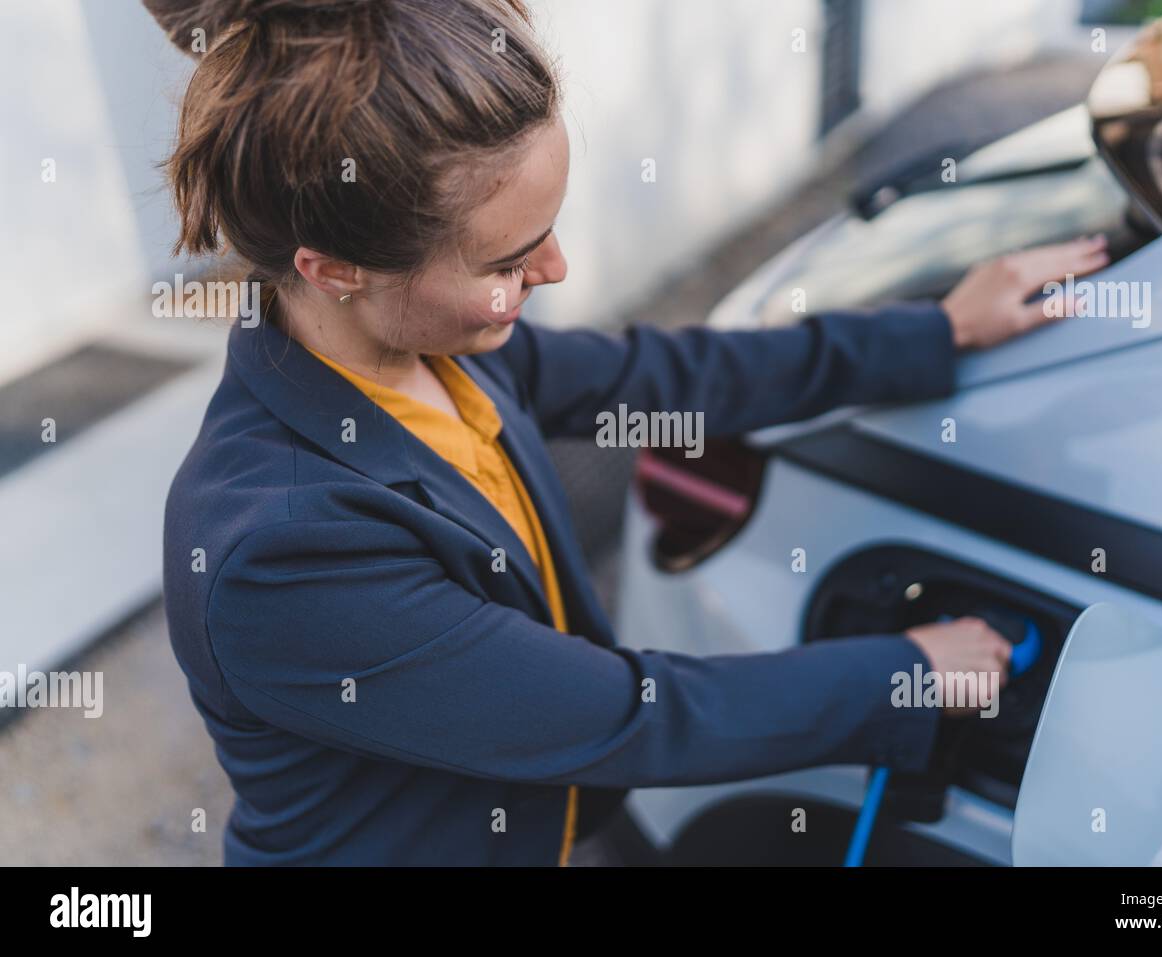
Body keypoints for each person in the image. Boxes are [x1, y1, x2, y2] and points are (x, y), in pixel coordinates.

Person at [148, 0, 1110, 865]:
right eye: (510, 259)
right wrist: (906, 674)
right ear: (336, 270)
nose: (558, 269)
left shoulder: (444, 349)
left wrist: (937, 330)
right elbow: (623, 714)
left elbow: (664, 378)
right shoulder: (279, 551)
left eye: (549, 231)